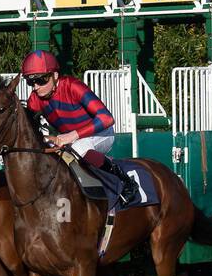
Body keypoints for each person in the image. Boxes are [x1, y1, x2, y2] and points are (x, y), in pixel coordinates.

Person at [21, 49, 139, 208]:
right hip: (69, 138)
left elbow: (107, 118)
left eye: (41, 80)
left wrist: (73, 135)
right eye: (31, 82)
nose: (35, 87)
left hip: (101, 133)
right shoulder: (34, 101)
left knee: (79, 146)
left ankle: (125, 182)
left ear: (55, 76)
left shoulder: (73, 86)